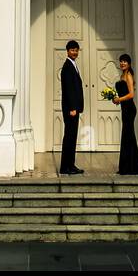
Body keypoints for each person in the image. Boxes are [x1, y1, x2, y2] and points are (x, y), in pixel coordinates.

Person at [113, 53, 138, 175]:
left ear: (129, 64)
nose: (122, 63)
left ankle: (131, 167)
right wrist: (117, 99)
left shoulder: (129, 76)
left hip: (129, 109)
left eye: (125, 61)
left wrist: (119, 99)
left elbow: (131, 94)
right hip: (125, 108)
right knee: (127, 136)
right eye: (121, 61)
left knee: (128, 136)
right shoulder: (123, 75)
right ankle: (127, 166)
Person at [59, 39, 85, 175]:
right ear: (68, 51)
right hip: (71, 109)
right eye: (72, 50)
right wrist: (73, 108)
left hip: (74, 108)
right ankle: (65, 167)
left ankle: (70, 165)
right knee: (69, 137)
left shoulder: (73, 65)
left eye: (76, 50)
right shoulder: (67, 67)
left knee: (72, 137)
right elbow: (69, 90)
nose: (74, 52)